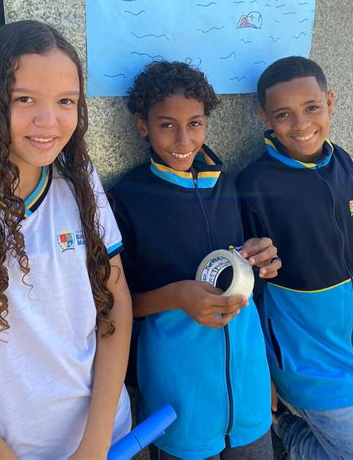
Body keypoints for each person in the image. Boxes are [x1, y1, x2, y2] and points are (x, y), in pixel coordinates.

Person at [0, 20, 132, 460]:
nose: (48, 121)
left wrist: (95, 444)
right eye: (24, 99)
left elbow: (114, 300)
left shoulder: (78, 179)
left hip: (106, 441)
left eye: (66, 101)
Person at [110, 61, 281, 460]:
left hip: (250, 389)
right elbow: (115, 305)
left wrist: (264, 262)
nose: (184, 139)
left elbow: (250, 273)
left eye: (195, 123)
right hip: (179, 393)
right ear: (142, 125)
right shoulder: (128, 198)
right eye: (167, 125)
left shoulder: (228, 185)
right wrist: (175, 297)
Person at [237, 56, 353, 459]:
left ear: (330, 101)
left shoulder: (342, 161)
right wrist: (260, 370)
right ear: (264, 117)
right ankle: (288, 431)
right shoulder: (256, 185)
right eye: (283, 114)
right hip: (307, 363)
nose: (301, 124)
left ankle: (292, 438)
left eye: (311, 107)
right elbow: (248, 290)